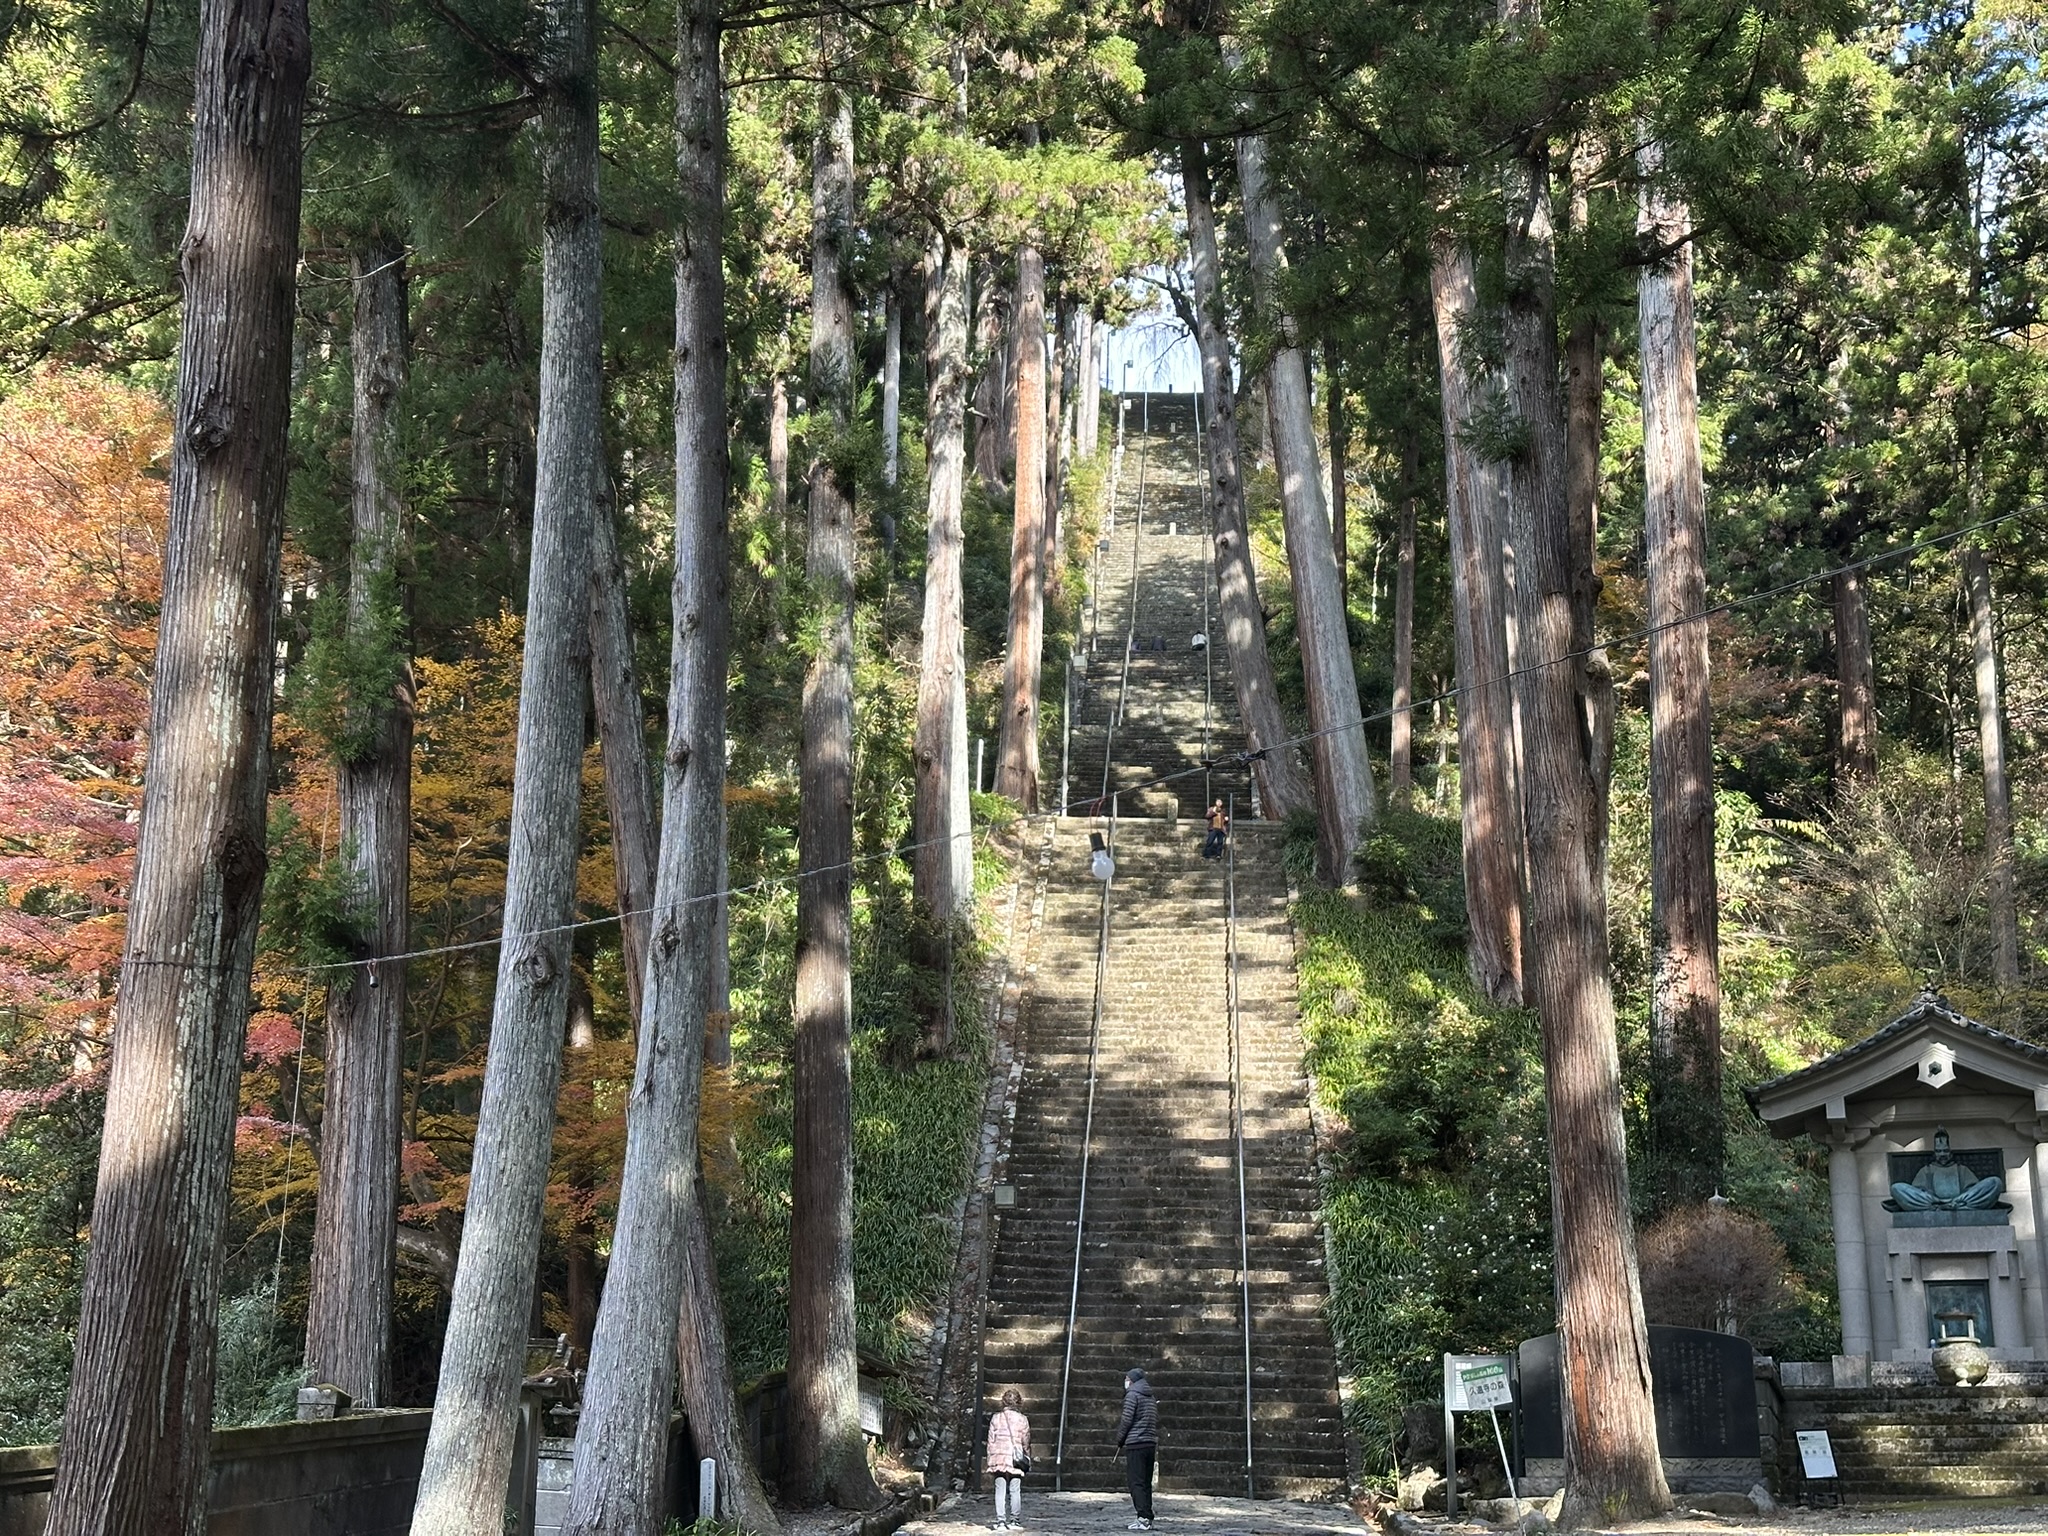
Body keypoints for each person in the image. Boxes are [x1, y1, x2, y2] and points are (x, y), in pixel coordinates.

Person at [1115, 1367, 1157, 1530]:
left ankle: (1143, 1517)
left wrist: (1120, 1439)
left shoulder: (1132, 1395)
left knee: (1136, 1483)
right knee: (1145, 1483)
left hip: (1136, 1443)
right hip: (1149, 1443)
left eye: (1127, 1378)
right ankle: (1147, 1515)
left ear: (1132, 1380)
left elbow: (1127, 1420)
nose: (1125, 1381)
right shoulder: (1150, 1396)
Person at [986, 1388, 1031, 1531]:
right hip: (1015, 1458)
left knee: (1000, 1489)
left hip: (999, 1456)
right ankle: (1015, 1521)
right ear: (1018, 1403)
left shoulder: (996, 1418)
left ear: (1003, 1402)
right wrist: (1027, 1457)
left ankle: (1000, 1522)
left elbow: (990, 1441)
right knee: (1015, 1489)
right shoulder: (1023, 1419)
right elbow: (1026, 1441)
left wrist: (990, 1459)